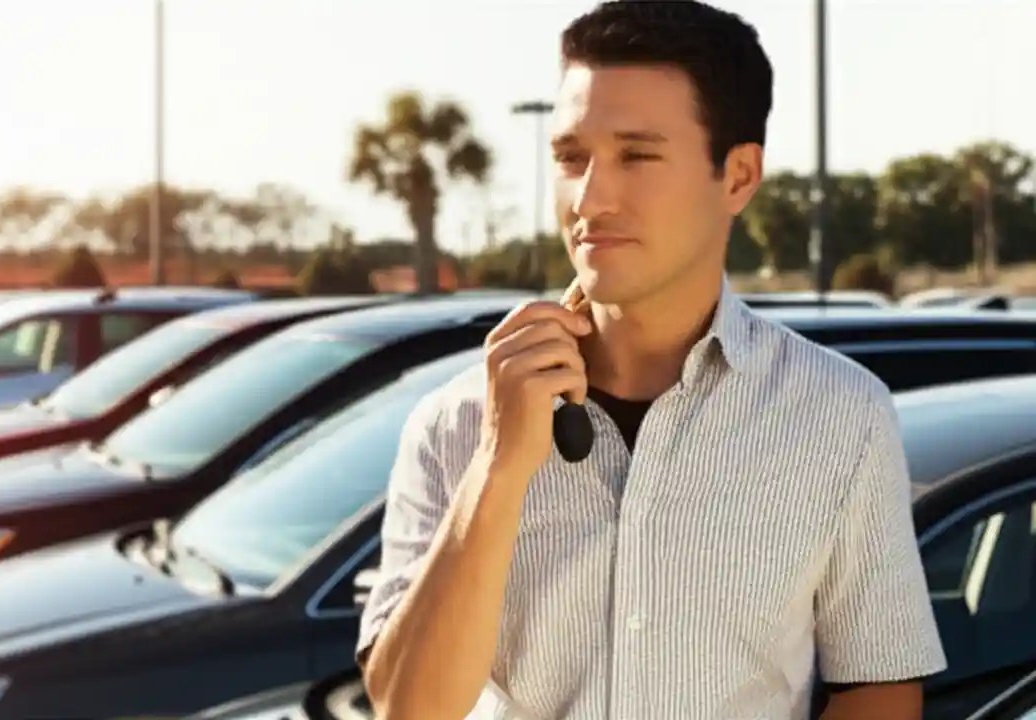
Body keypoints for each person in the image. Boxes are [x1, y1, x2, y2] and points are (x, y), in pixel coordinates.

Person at [355, 1, 947, 719]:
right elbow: (407, 711)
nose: (591, 199)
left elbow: (878, 690)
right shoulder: (454, 423)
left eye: (637, 155)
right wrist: (498, 467)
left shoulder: (841, 416)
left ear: (737, 176)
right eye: (571, 158)